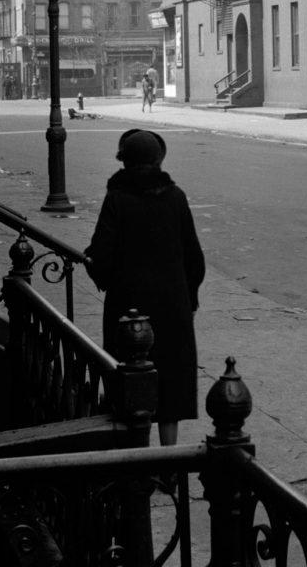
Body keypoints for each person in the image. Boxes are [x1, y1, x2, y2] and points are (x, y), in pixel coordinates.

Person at [84, 129, 205, 447]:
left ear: (125, 163)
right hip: (172, 305)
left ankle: (139, 459)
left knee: (130, 382)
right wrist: (189, 296)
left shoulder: (117, 198)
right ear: (157, 160)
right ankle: (168, 461)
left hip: (129, 307)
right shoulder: (175, 196)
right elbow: (194, 258)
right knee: (170, 383)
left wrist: (100, 276)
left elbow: (100, 254)